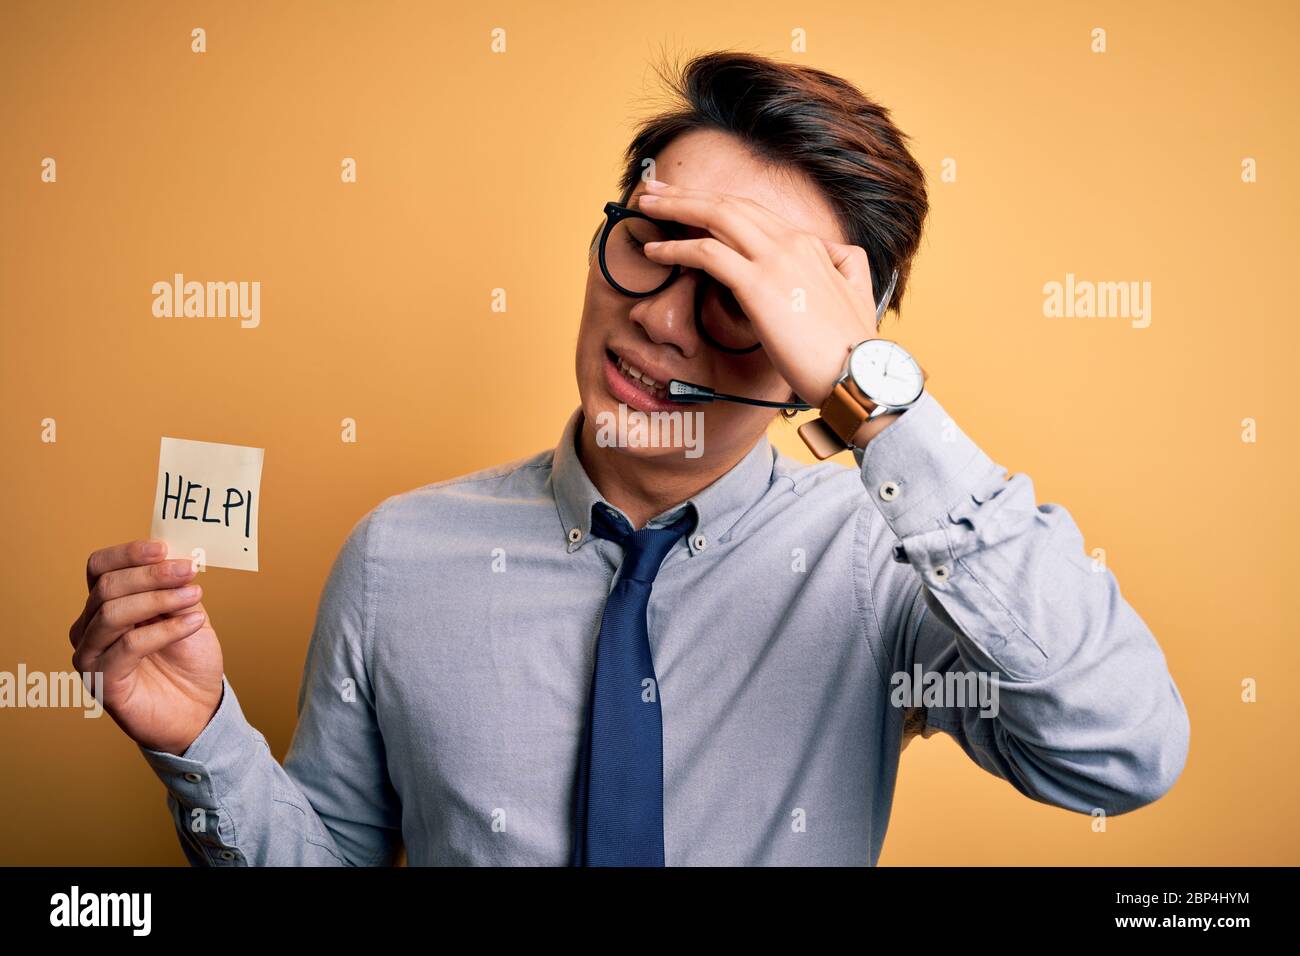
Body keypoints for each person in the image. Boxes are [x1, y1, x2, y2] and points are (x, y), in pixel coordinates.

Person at [68, 51, 1189, 866]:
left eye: (738, 299)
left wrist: (873, 398)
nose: (660, 322)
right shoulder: (398, 557)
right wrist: (202, 742)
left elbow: (1121, 750)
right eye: (651, 246)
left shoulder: (887, 568)